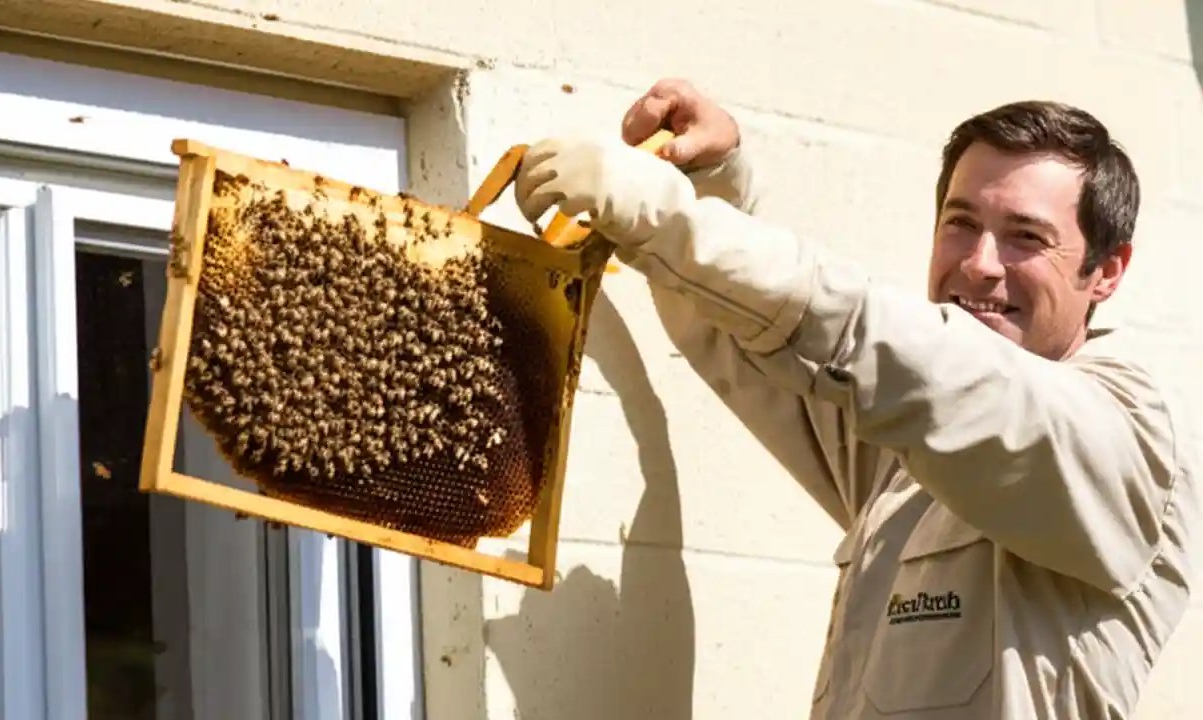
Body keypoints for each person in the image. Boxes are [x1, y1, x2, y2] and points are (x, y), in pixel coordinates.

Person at [513, 78, 1202, 718]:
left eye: (1026, 237)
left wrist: (665, 219)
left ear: (1106, 271)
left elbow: (924, 360)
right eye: (960, 223)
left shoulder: (1119, 444)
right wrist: (709, 186)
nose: (978, 263)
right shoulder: (909, 458)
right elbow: (761, 343)